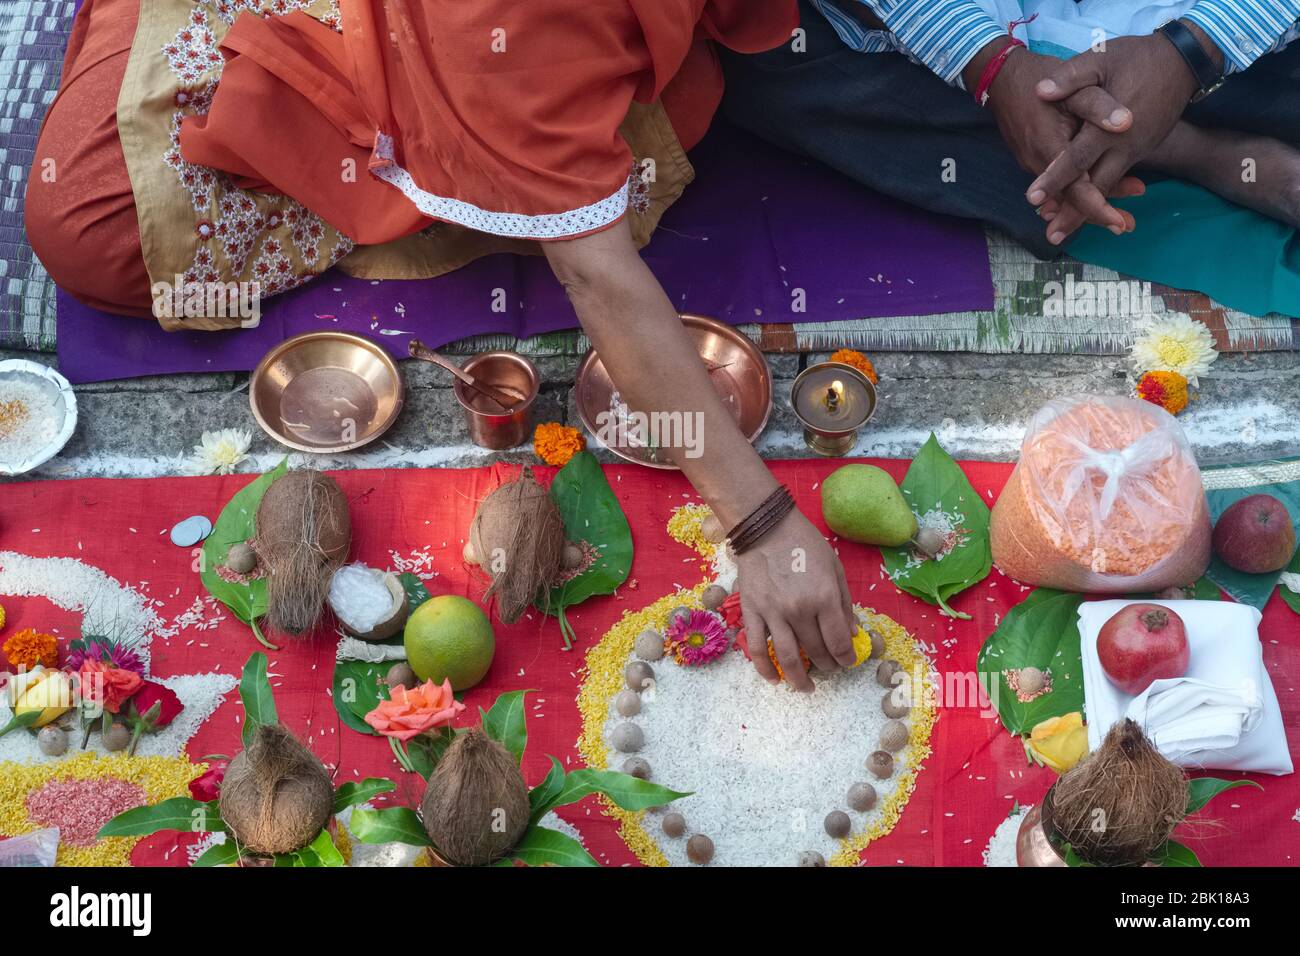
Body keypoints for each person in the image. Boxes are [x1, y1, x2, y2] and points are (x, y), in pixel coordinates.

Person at [25, 0, 858, 689]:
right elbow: (599, 279)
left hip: (505, 53)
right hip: (379, 30)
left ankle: (473, 169)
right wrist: (762, 522)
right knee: (91, 226)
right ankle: (438, 166)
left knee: (676, 114)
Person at [722, 0, 1300, 258]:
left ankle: (1102, 132)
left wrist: (1190, 51)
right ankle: (1178, 145)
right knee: (758, 53)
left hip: (1201, 23)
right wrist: (989, 63)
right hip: (945, 30)